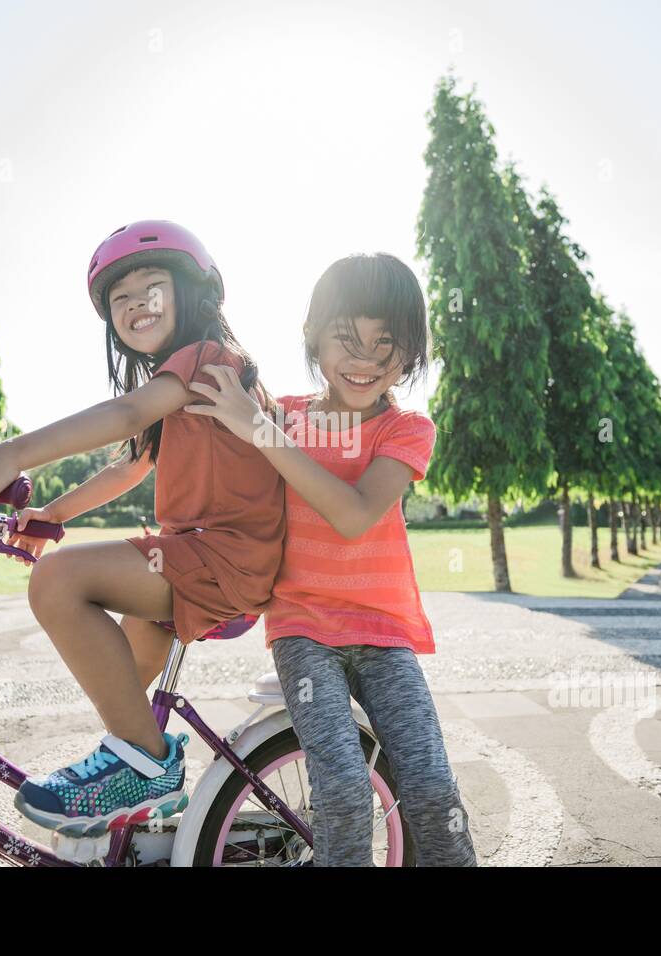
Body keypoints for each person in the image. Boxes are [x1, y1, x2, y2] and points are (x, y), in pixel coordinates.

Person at [0, 220, 285, 836]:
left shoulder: (209, 362)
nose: (134, 305)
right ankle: (133, 785)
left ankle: (148, 767)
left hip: (223, 559)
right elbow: (129, 465)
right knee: (122, 685)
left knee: (59, 581)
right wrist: (55, 514)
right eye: (120, 299)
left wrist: (6, 456)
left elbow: (124, 414)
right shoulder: (171, 386)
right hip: (193, 559)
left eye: (152, 288)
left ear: (195, 295)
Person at [184, 252, 477, 866]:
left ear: (410, 352)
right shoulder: (281, 413)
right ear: (315, 333)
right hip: (303, 628)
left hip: (383, 629)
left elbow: (351, 514)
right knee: (342, 787)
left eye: (386, 343)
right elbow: (180, 442)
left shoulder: (405, 429)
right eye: (347, 338)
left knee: (431, 789)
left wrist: (261, 431)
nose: (366, 360)